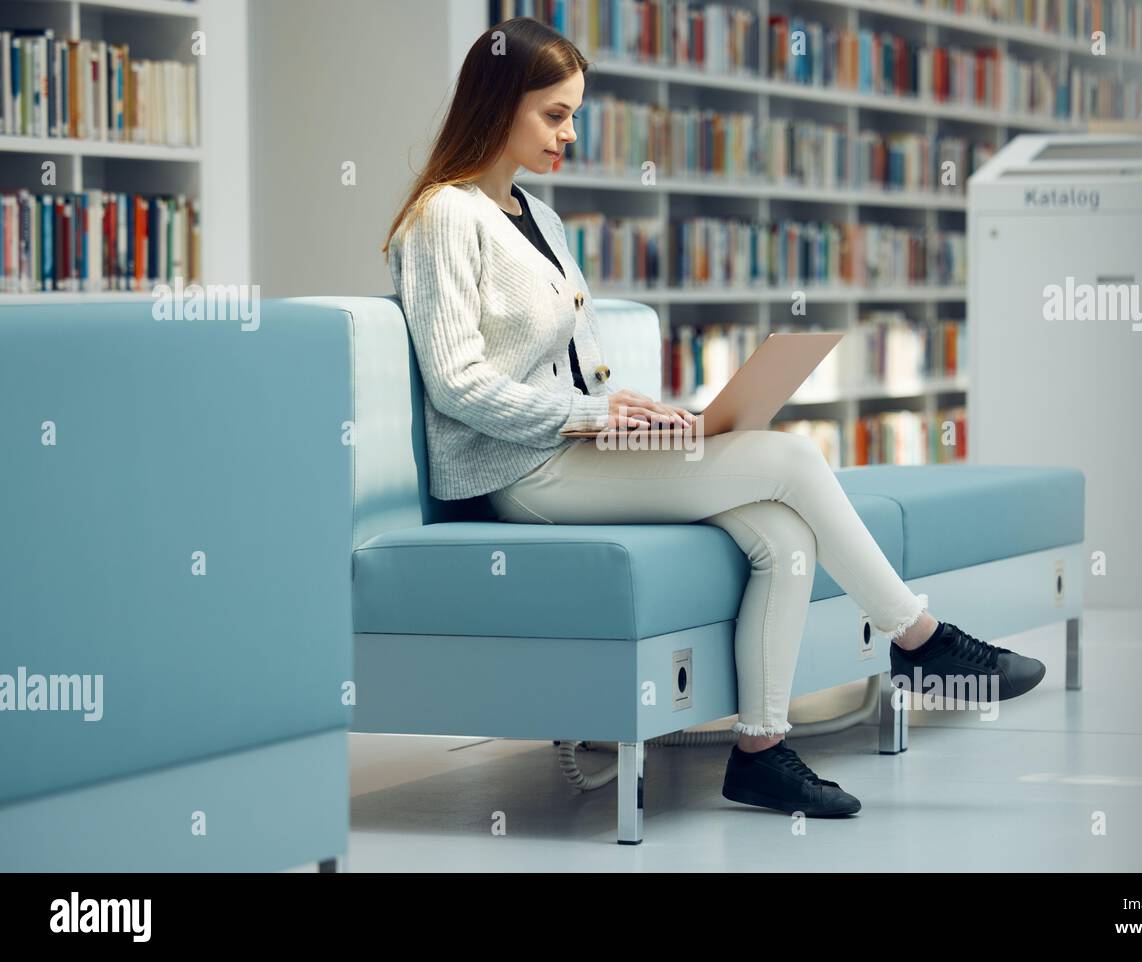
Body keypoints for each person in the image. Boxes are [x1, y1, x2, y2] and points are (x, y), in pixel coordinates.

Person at [381, 16, 1046, 819]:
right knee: (791, 461)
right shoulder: (443, 219)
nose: (571, 133)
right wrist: (588, 415)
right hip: (518, 472)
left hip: (576, 452)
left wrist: (644, 415)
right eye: (554, 114)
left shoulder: (542, 218)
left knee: (786, 536)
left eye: (575, 114)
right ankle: (918, 640)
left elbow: (577, 363)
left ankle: (761, 750)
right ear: (496, 104)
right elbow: (455, 384)